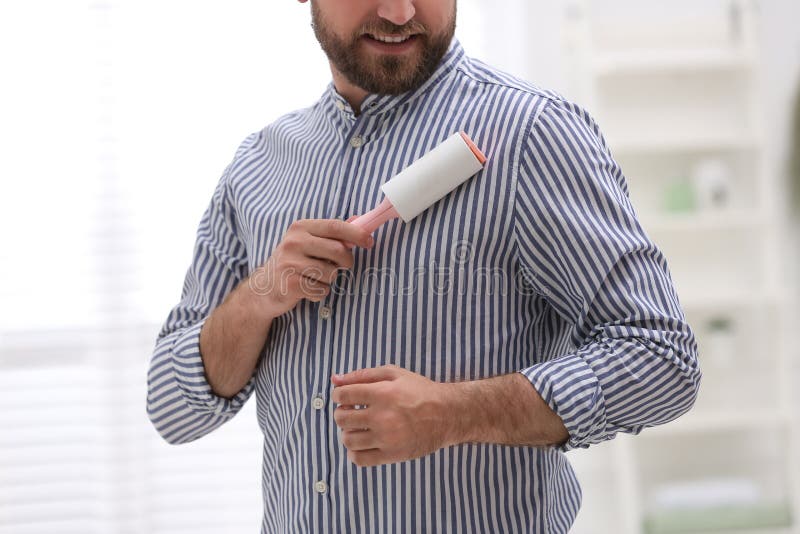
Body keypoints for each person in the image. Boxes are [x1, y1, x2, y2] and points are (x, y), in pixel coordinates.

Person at [147, 0, 702, 532]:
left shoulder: (533, 134)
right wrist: (259, 296)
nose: (399, 12)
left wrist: (455, 412)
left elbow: (662, 359)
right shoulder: (258, 165)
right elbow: (172, 408)